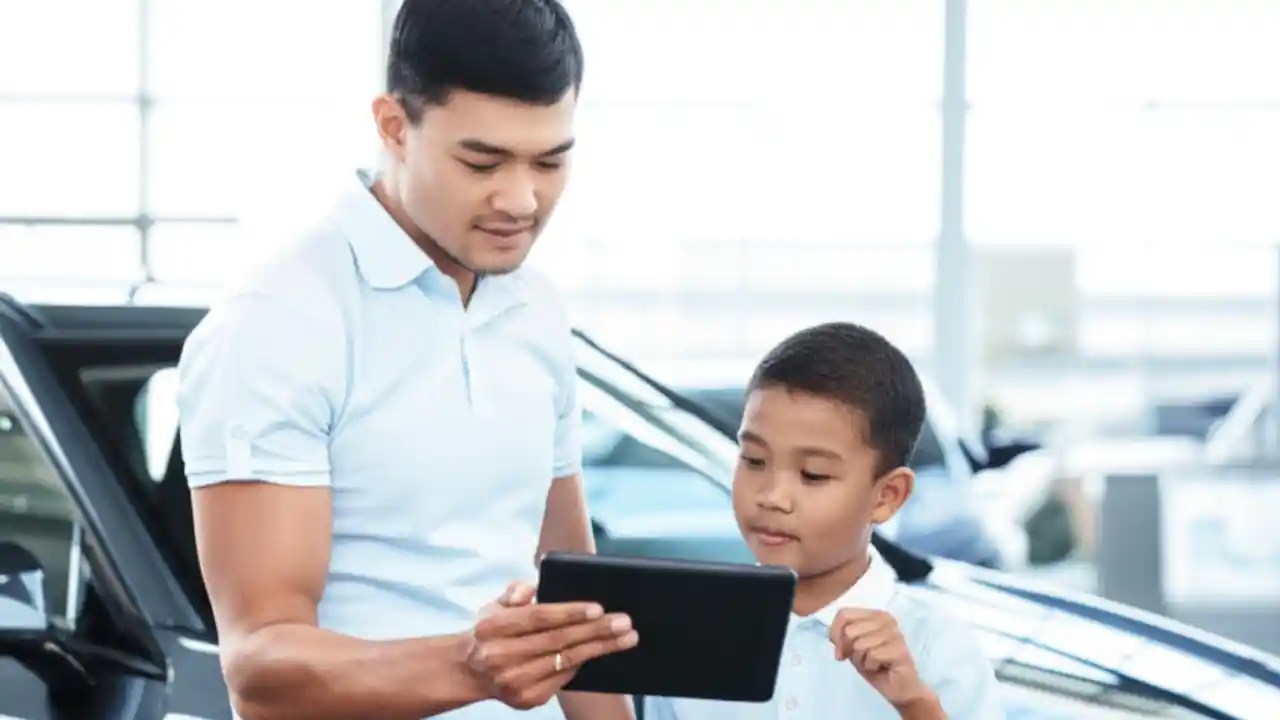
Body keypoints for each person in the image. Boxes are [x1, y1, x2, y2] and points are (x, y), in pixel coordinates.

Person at [175, 1, 638, 719]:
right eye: (481, 162)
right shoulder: (280, 319)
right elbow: (260, 668)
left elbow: (574, 610)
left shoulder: (536, 307)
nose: (521, 200)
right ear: (394, 126)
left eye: (550, 161)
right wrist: (470, 664)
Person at [644, 322, 1004, 720]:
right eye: (754, 461)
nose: (773, 497)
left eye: (813, 475)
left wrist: (915, 704)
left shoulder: (938, 648)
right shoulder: (696, 635)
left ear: (887, 496)